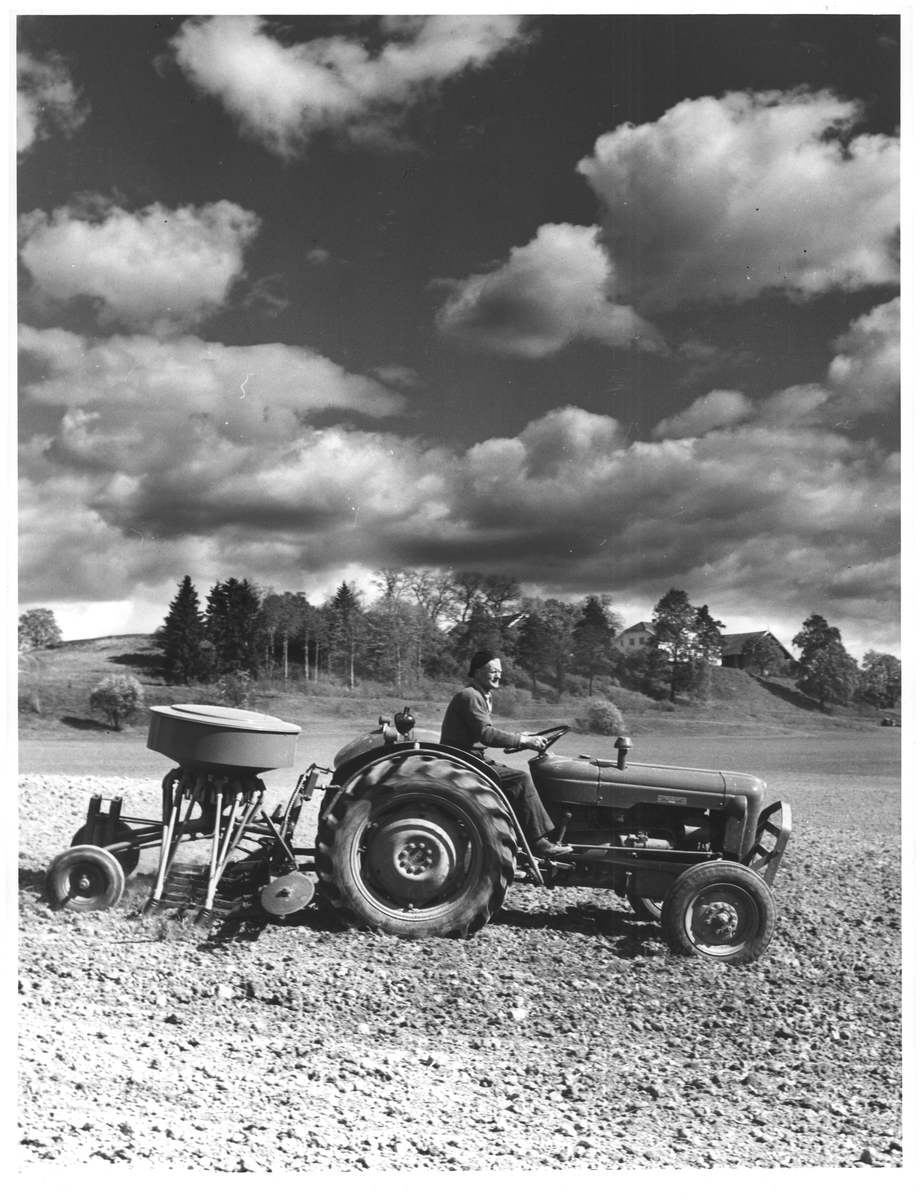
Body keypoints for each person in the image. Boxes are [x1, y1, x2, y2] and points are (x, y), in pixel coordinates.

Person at [441, 649, 571, 857]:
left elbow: (483, 732)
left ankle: (523, 835)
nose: (498, 675)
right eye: (492, 671)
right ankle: (537, 842)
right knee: (520, 780)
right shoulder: (470, 696)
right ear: (476, 672)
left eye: (499, 671)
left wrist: (522, 735)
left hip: (472, 757)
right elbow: (486, 734)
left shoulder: (482, 695)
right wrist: (524, 740)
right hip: (464, 759)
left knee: (514, 777)